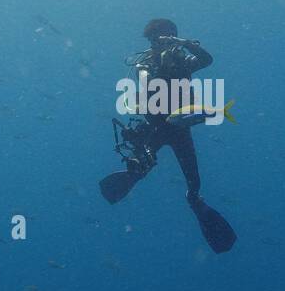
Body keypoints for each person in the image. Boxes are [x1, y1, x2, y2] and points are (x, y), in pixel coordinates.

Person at [99, 19, 237, 253]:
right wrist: (158, 71)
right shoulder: (146, 63)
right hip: (157, 125)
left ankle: (195, 201)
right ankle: (134, 174)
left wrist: (183, 45)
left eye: (167, 38)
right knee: (143, 163)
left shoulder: (182, 61)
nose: (161, 43)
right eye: (157, 39)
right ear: (151, 41)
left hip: (180, 128)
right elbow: (145, 81)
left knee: (194, 180)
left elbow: (207, 60)